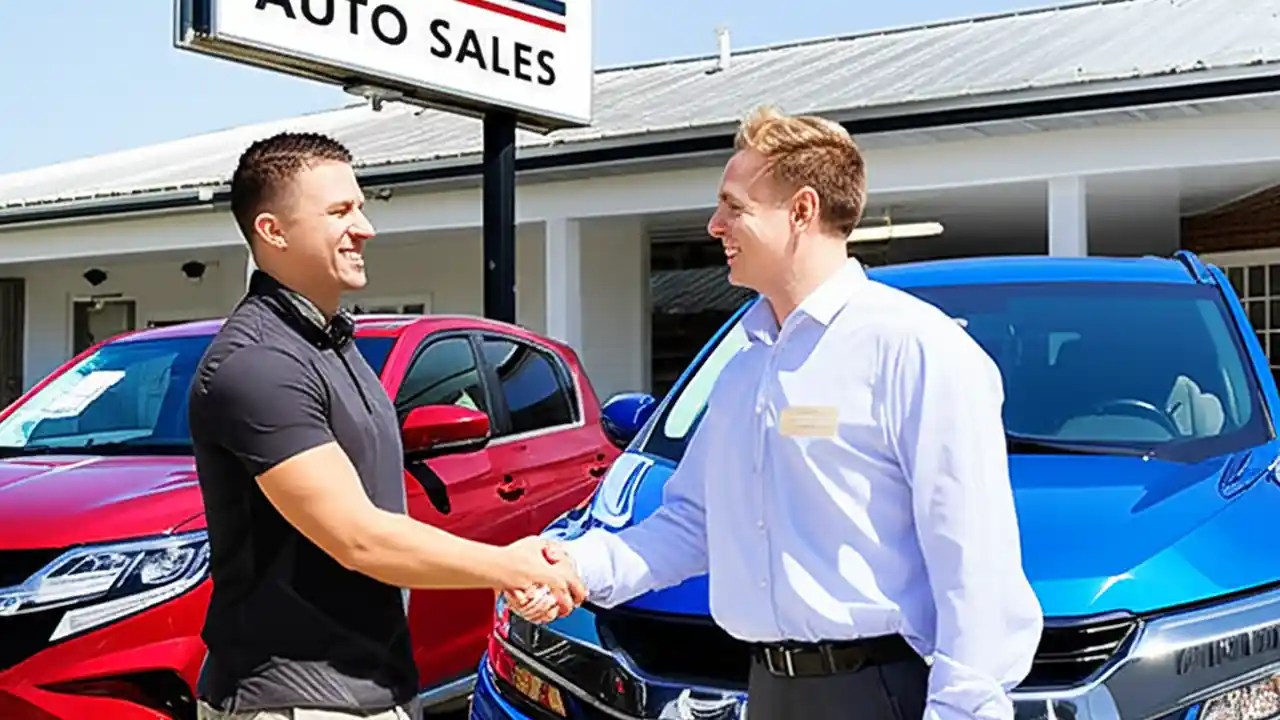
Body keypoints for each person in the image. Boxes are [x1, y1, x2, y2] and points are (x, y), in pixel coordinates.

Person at [508, 106, 1044, 720]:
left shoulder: (915, 350)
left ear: (802, 211)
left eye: (734, 207)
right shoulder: (744, 370)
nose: (714, 226)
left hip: (878, 694)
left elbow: (974, 561)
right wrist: (575, 565)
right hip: (766, 691)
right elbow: (690, 524)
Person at [187, 131, 583, 720]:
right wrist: (509, 567)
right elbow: (358, 537)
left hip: (374, 687)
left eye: (362, 208)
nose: (365, 228)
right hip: (298, 701)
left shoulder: (331, 343)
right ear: (273, 231)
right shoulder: (257, 364)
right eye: (340, 211)